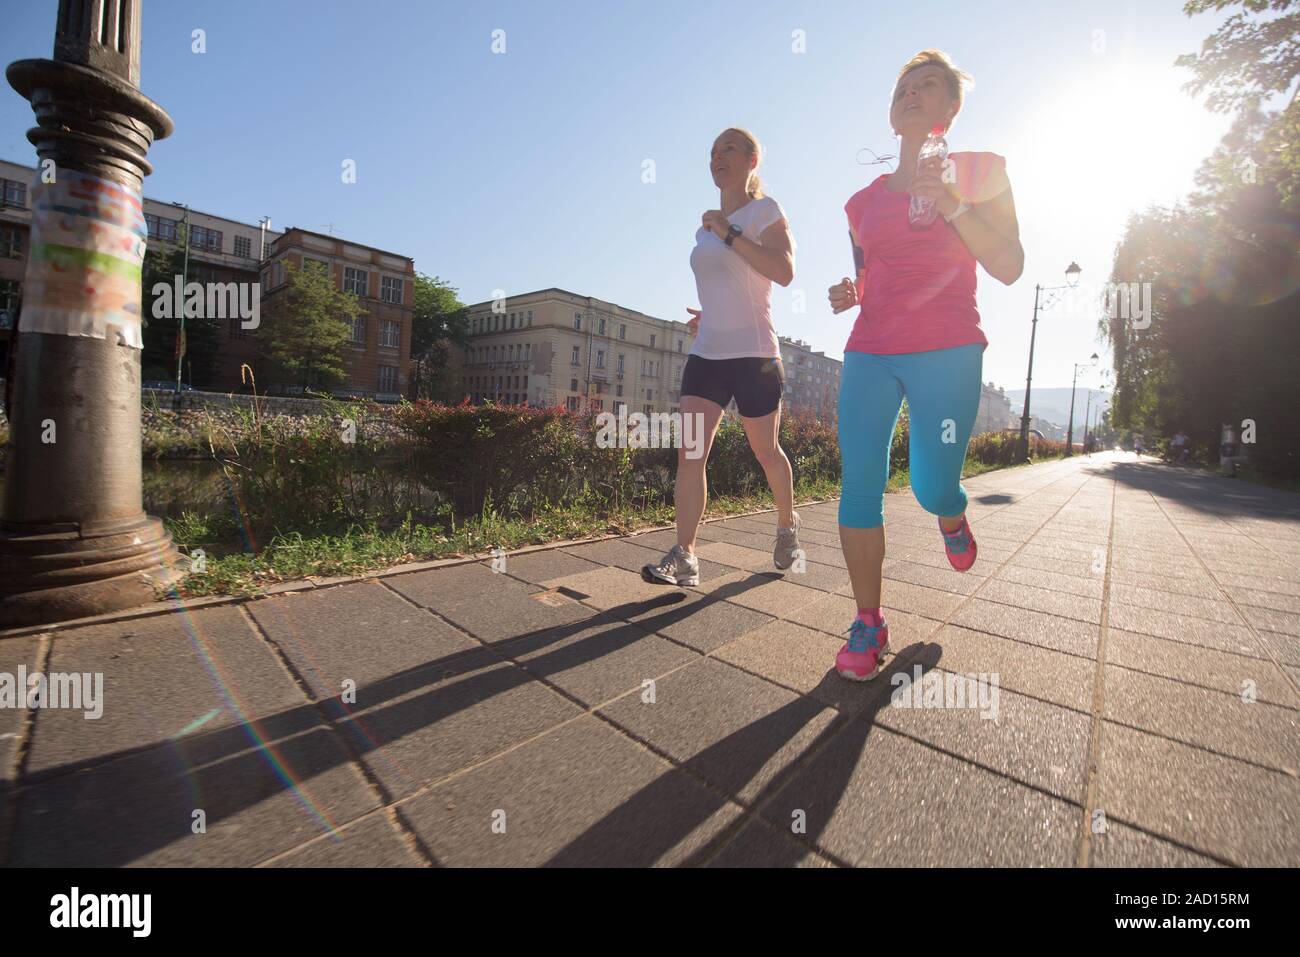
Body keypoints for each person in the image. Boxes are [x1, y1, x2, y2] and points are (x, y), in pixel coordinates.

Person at [827, 50, 1023, 681]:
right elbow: (867, 273)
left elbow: (1010, 265)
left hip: (948, 345)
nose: (912, 94)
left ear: (951, 108)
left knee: (928, 484)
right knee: (859, 482)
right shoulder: (860, 204)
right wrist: (848, 293)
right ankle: (868, 621)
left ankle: (951, 512)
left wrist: (953, 204)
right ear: (892, 112)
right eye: (903, 87)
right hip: (872, 348)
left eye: (927, 85)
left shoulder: (982, 170)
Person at [642, 128, 801, 587]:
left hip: (755, 356)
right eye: (713, 151)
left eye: (729, 148)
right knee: (691, 454)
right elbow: (727, 284)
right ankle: (686, 555)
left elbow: (783, 272)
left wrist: (729, 232)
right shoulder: (705, 227)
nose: (718, 156)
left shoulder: (764, 211)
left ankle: (787, 527)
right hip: (708, 354)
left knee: (766, 451)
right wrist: (708, 315)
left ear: (753, 160)